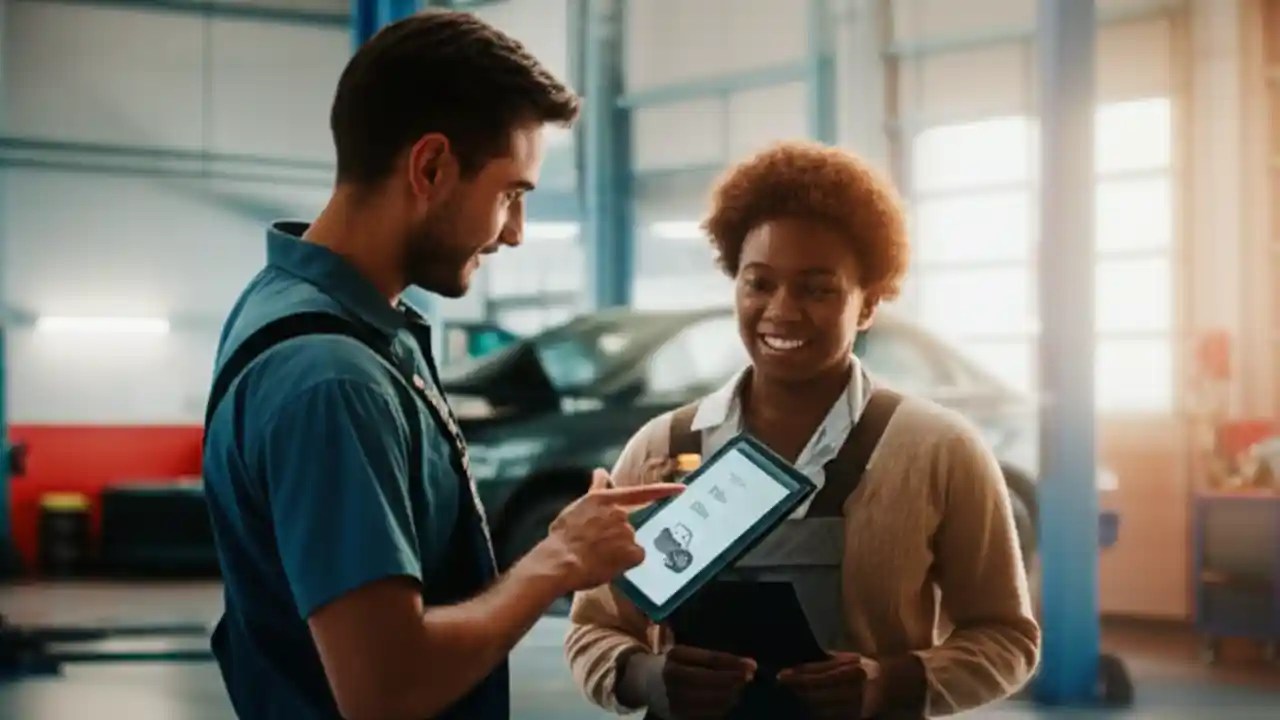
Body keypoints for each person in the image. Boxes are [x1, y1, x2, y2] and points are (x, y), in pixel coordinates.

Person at [201, 10, 682, 720]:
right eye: (511, 194)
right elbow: (385, 690)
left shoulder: (290, 308)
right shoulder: (333, 380)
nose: (515, 233)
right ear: (430, 167)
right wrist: (557, 561)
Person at [564, 141, 1041, 719]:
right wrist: (648, 675)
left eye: (818, 288)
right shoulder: (665, 447)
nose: (782, 311)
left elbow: (1007, 638)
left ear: (867, 306)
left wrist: (887, 684)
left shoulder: (939, 450)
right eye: (758, 283)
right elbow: (595, 627)